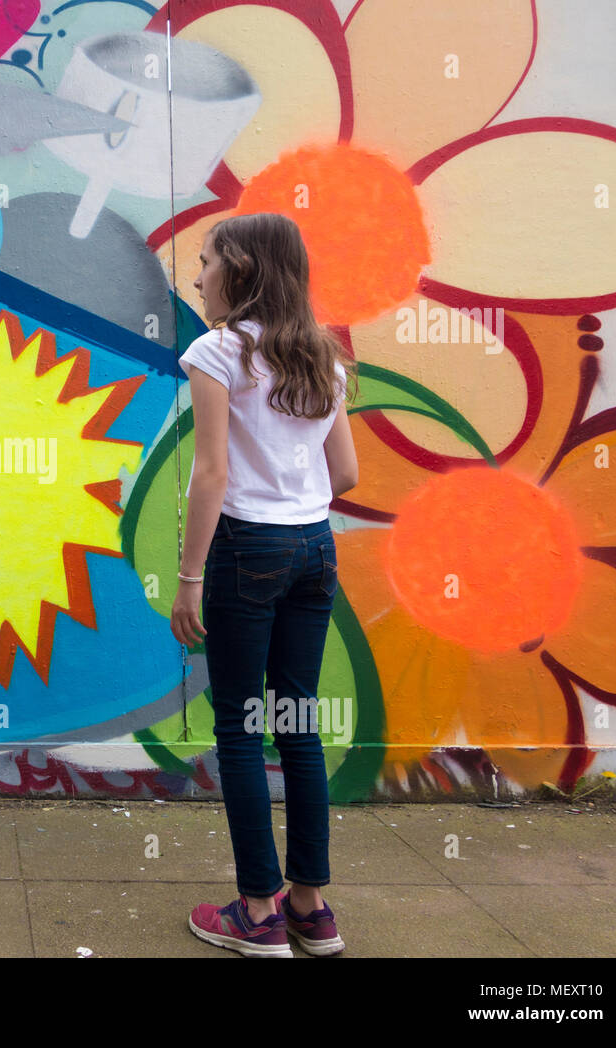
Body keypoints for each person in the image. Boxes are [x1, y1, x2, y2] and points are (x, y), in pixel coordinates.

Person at [171, 212, 359, 958]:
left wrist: (189, 577)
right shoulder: (324, 357)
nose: (197, 276)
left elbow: (211, 473)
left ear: (241, 271)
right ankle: (311, 909)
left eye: (209, 261)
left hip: (247, 551)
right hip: (314, 549)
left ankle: (257, 912)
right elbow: (345, 474)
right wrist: (293, 485)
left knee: (240, 732)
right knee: (296, 723)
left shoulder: (218, 353)